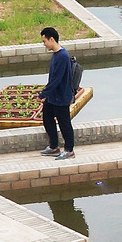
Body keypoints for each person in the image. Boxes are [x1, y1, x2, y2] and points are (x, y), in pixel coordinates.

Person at [37, 26, 76, 160]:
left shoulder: (62, 56)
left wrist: (43, 94)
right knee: (47, 119)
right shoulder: (56, 55)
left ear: (51, 39)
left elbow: (56, 79)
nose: (44, 44)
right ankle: (54, 146)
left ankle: (69, 150)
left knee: (64, 123)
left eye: (44, 41)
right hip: (54, 97)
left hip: (61, 97)